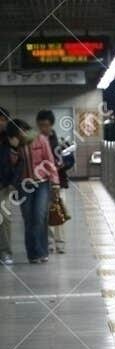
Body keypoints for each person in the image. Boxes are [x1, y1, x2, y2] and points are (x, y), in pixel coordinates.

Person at [13, 121, 58, 264]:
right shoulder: (15, 145)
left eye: (21, 131)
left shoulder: (40, 139)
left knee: (39, 216)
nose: (20, 134)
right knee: (28, 219)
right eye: (17, 133)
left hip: (42, 183)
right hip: (23, 185)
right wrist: (14, 149)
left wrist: (55, 181)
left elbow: (49, 160)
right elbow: (12, 165)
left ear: (26, 129)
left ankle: (42, 251)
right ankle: (32, 254)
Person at [37, 111, 71, 254]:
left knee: (58, 211)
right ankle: (49, 243)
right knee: (44, 213)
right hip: (42, 183)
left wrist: (61, 165)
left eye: (46, 125)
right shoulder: (35, 141)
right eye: (40, 125)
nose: (43, 128)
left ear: (51, 124)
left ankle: (60, 243)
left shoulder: (61, 142)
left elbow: (70, 160)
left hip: (59, 182)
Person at [0, 132, 18, 266]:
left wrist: (13, 182)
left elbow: (18, 163)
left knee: (5, 219)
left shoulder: (9, 140)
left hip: (3, 187)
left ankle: (5, 253)